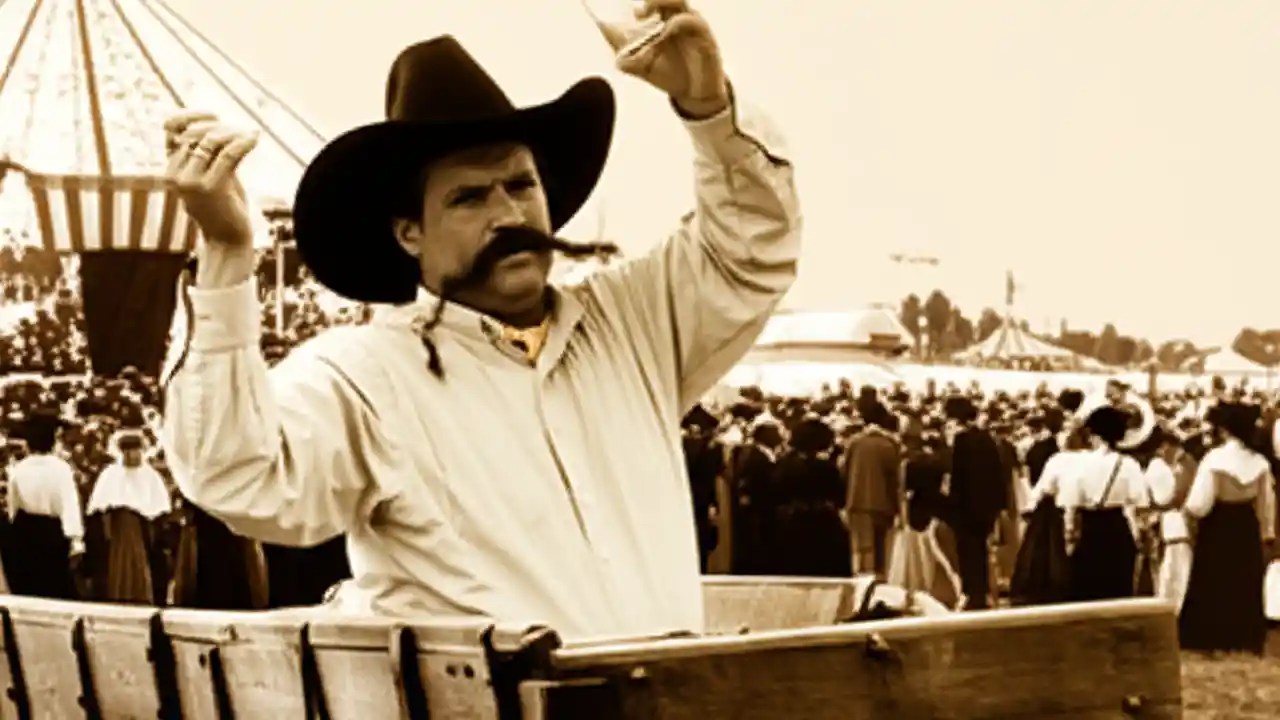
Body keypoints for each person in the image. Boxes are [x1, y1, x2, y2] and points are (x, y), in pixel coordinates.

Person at [160, 3, 800, 640]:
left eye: (521, 186)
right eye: (469, 197)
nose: (508, 215)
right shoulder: (364, 377)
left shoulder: (633, 323)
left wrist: (709, 108)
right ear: (410, 232)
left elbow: (751, 256)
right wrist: (225, 252)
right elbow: (238, 472)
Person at [1179, 402, 1275, 654]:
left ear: (1224, 429)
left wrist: (1189, 515)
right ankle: (1243, 636)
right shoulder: (1260, 462)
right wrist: (1267, 533)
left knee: (1214, 577)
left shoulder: (1215, 459)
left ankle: (1212, 636)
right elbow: (1266, 504)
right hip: (1245, 522)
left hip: (1218, 523)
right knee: (1244, 579)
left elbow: (1199, 503)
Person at [84, 430, 173, 604]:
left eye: (136, 450)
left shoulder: (151, 476)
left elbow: (160, 508)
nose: (132, 455)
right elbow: (97, 507)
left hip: (145, 531)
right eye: (127, 450)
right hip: (117, 530)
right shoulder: (111, 474)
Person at [4, 409, 83, 599]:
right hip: (52, 534)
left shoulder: (18, 470)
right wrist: (76, 539)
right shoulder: (61, 469)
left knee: (30, 587)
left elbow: (12, 507)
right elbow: (69, 506)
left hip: (25, 533)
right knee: (54, 586)